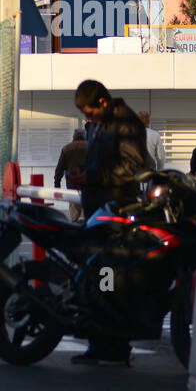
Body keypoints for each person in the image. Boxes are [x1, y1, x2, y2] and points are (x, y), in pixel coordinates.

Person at [73, 79, 148, 366]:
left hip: (116, 213)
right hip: (98, 212)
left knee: (108, 281)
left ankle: (114, 346)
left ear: (102, 102)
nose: (87, 117)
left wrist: (91, 178)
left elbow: (132, 167)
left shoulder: (125, 123)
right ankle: (100, 343)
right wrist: (83, 172)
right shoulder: (101, 124)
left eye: (89, 111)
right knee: (97, 280)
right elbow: (102, 163)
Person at [53, 127, 88, 223]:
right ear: (85, 136)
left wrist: (57, 184)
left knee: (73, 202)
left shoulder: (66, 148)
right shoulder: (90, 147)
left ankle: (75, 221)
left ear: (74, 137)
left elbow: (59, 168)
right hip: (87, 180)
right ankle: (84, 219)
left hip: (72, 181)